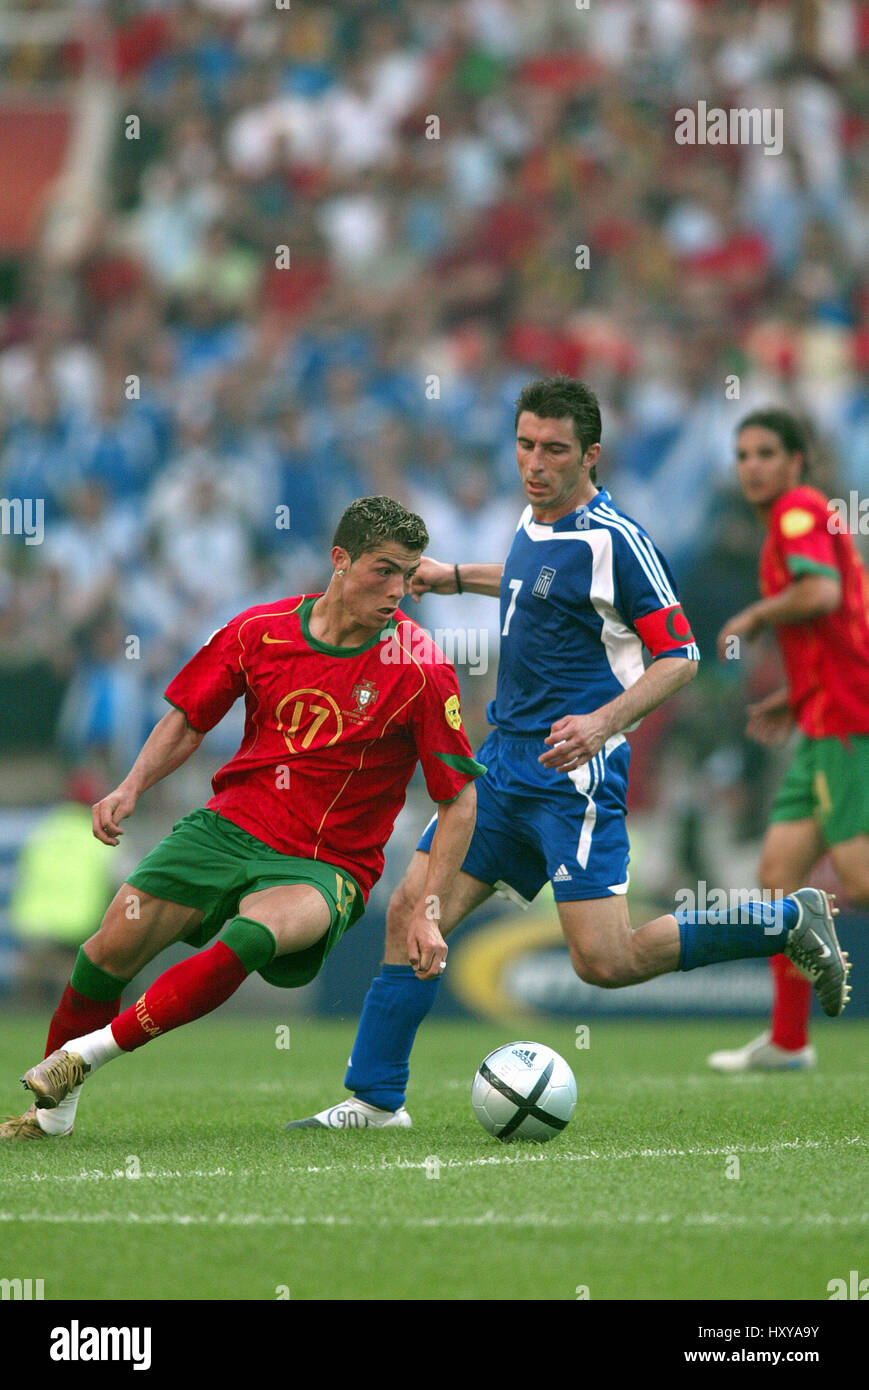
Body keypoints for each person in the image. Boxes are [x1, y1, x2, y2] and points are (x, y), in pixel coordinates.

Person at [287, 377, 851, 1131]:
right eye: (524, 446)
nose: (535, 463)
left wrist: (600, 724)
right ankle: (375, 1100)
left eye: (554, 450)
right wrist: (455, 577)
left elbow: (678, 653)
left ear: (590, 455)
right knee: (410, 911)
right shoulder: (534, 520)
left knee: (604, 962)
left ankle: (783, 920)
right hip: (498, 769)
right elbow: (534, 583)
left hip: (571, 777)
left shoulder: (617, 539)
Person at [2, 496, 484, 1139]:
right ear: (340, 561)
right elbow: (188, 716)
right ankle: (49, 1117)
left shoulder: (419, 667)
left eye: (409, 574)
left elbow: (459, 796)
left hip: (325, 863)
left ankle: (83, 1056)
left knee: (252, 936)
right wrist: (131, 786)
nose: (399, 590)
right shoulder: (261, 629)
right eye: (384, 570)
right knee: (107, 947)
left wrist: (427, 908)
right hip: (228, 827)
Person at [708, 409, 869, 1072]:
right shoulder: (792, 517)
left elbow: (822, 594)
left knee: (856, 880)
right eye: (742, 454)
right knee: (778, 878)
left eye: (766, 452)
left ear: (796, 460)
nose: (751, 465)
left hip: (846, 719)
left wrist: (753, 613)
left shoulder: (796, 510)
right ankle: (787, 1040)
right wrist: (791, 693)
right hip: (817, 717)